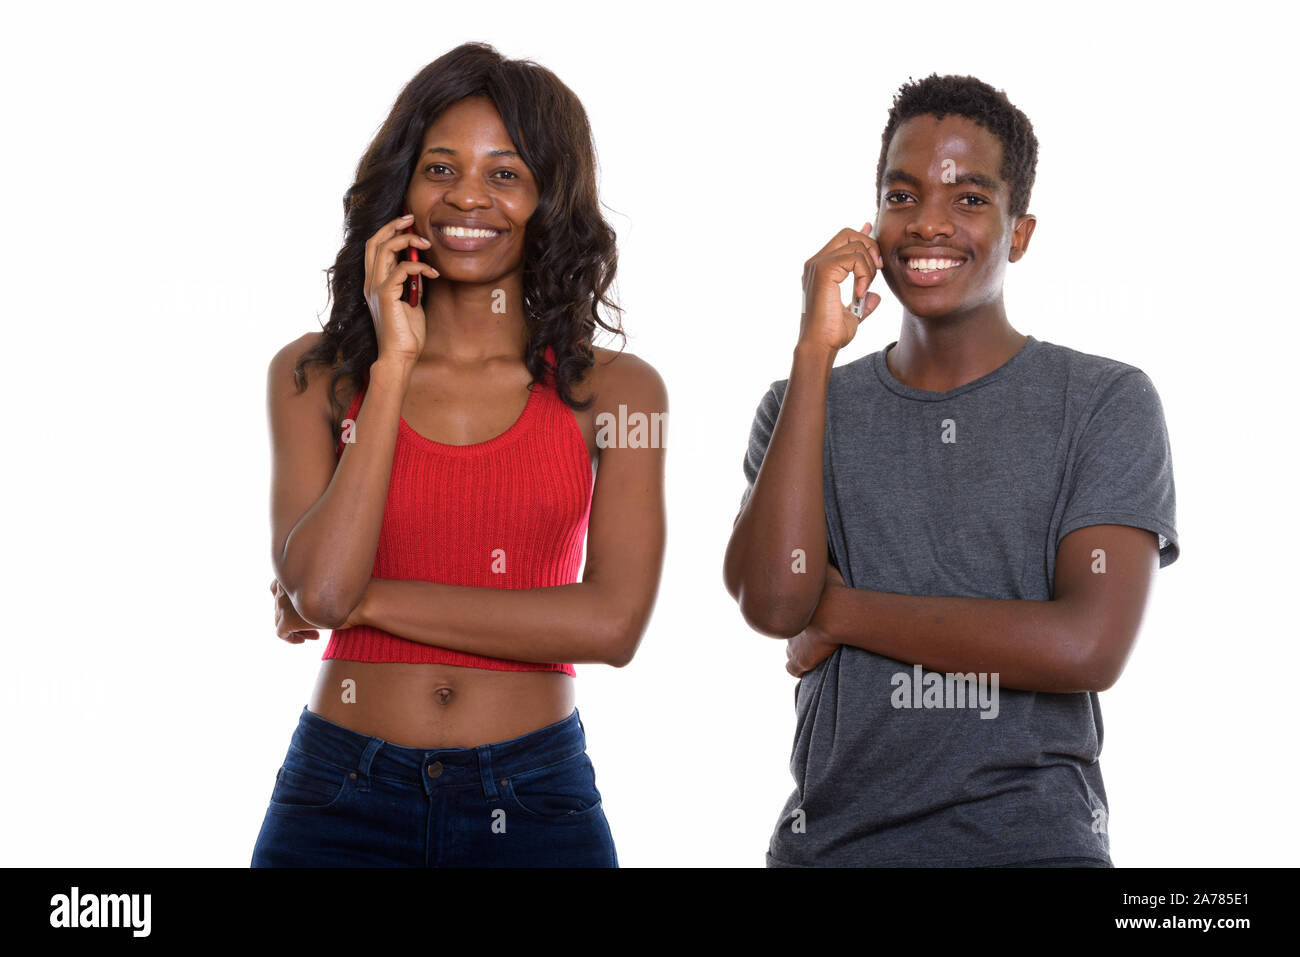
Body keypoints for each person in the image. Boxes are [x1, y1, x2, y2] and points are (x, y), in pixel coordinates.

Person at [723, 73, 1178, 867]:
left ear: (1019, 232)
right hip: (830, 849)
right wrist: (813, 350)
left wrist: (841, 612)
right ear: (872, 222)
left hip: (1034, 849)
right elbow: (772, 601)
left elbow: (1087, 644)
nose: (928, 222)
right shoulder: (802, 403)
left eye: (969, 198)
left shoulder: (1103, 401)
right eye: (902, 196)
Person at [252, 42, 667, 868]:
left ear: (550, 198)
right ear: (402, 190)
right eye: (440, 168)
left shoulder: (621, 393)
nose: (467, 195)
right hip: (338, 796)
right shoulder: (315, 376)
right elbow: (321, 588)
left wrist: (366, 604)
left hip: (534, 796)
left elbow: (613, 624)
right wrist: (393, 366)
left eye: (504, 173)